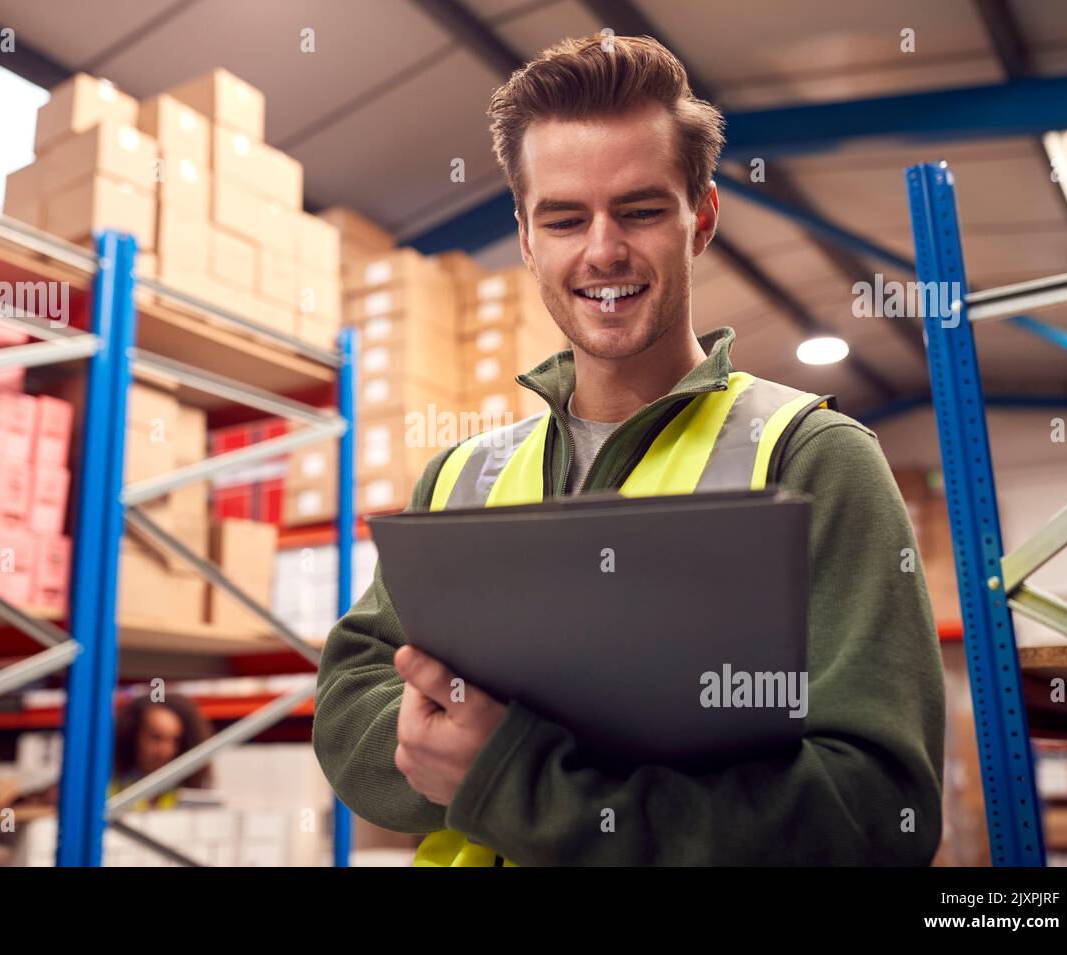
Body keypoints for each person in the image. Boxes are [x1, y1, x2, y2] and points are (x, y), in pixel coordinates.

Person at [312, 34, 944, 866]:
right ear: (529, 239)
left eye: (640, 211)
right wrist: (435, 760)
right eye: (566, 218)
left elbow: (876, 813)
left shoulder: (813, 459)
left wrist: (519, 783)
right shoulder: (462, 475)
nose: (603, 250)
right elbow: (352, 690)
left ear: (702, 219)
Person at [112, 692, 213, 810]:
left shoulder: (190, 795)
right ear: (132, 736)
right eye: (156, 737)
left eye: (176, 740)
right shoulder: (107, 787)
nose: (166, 750)